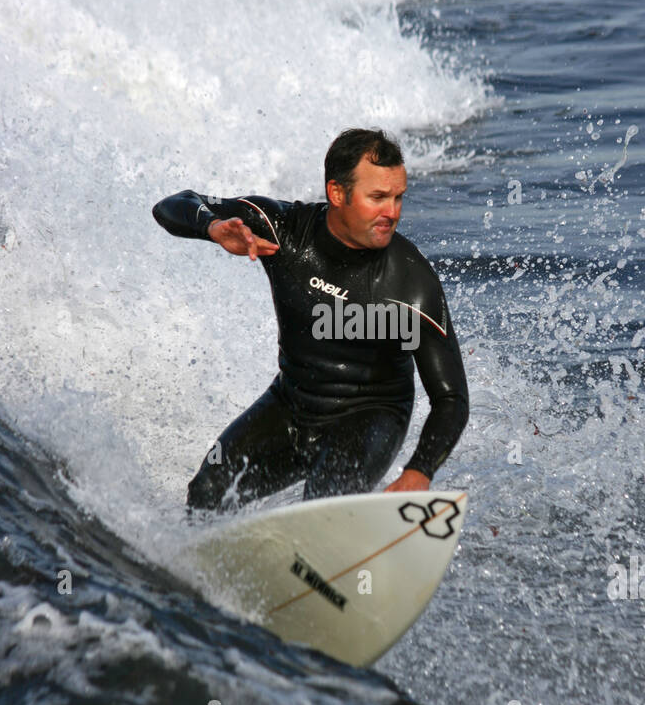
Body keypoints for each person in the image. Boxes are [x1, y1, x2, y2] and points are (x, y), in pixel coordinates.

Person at [152, 127, 468, 512]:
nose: (393, 212)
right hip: (290, 405)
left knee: (325, 501)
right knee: (207, 490)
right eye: (379, 197)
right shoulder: (285, 231)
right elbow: (174, 204)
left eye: (399, 197)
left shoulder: (411, 282)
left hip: (370, 418)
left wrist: (419, 471)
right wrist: (213, 228)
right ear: (337, 193)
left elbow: (451, 398)